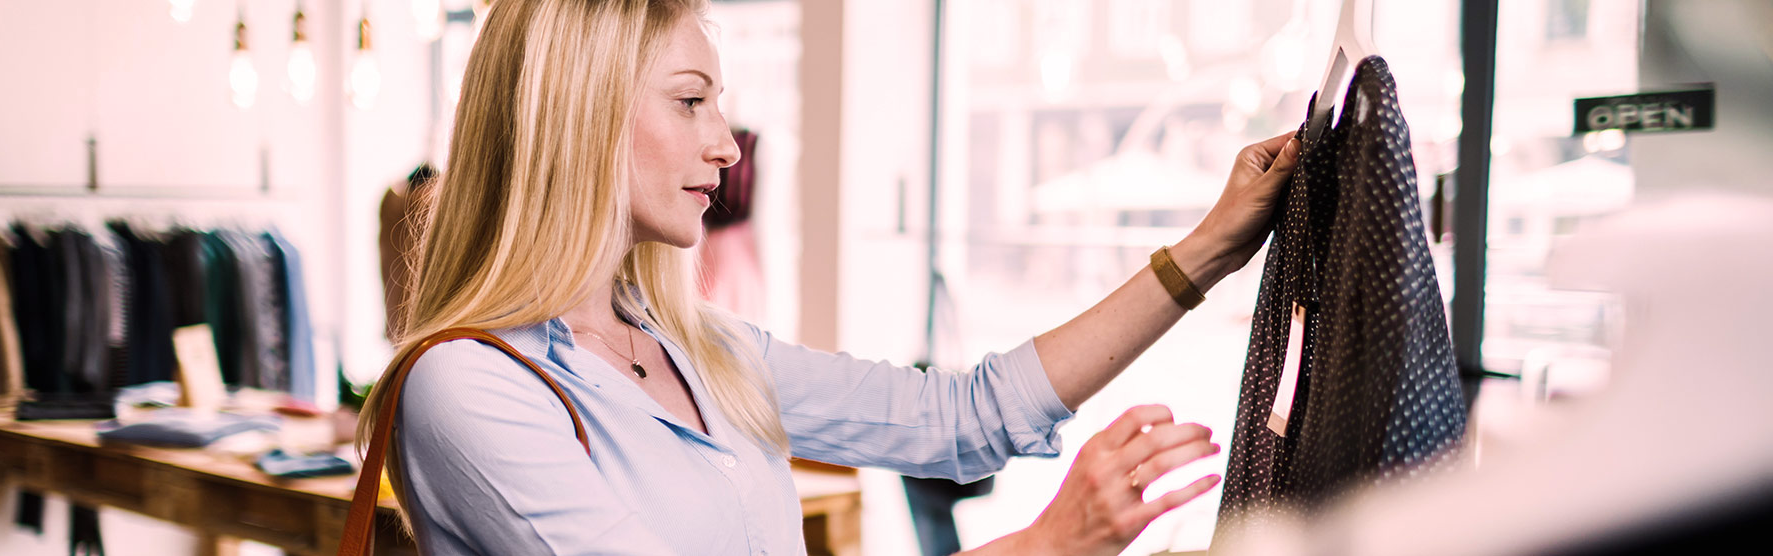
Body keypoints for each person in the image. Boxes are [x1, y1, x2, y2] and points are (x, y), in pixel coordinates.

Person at [355, 0, 1299, 554]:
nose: (724, 145)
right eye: (690, 102)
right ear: (579, 118)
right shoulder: (467, 387)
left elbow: (959, 419)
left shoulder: (698, 346)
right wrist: (1041, 544)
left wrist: (1210, 250)